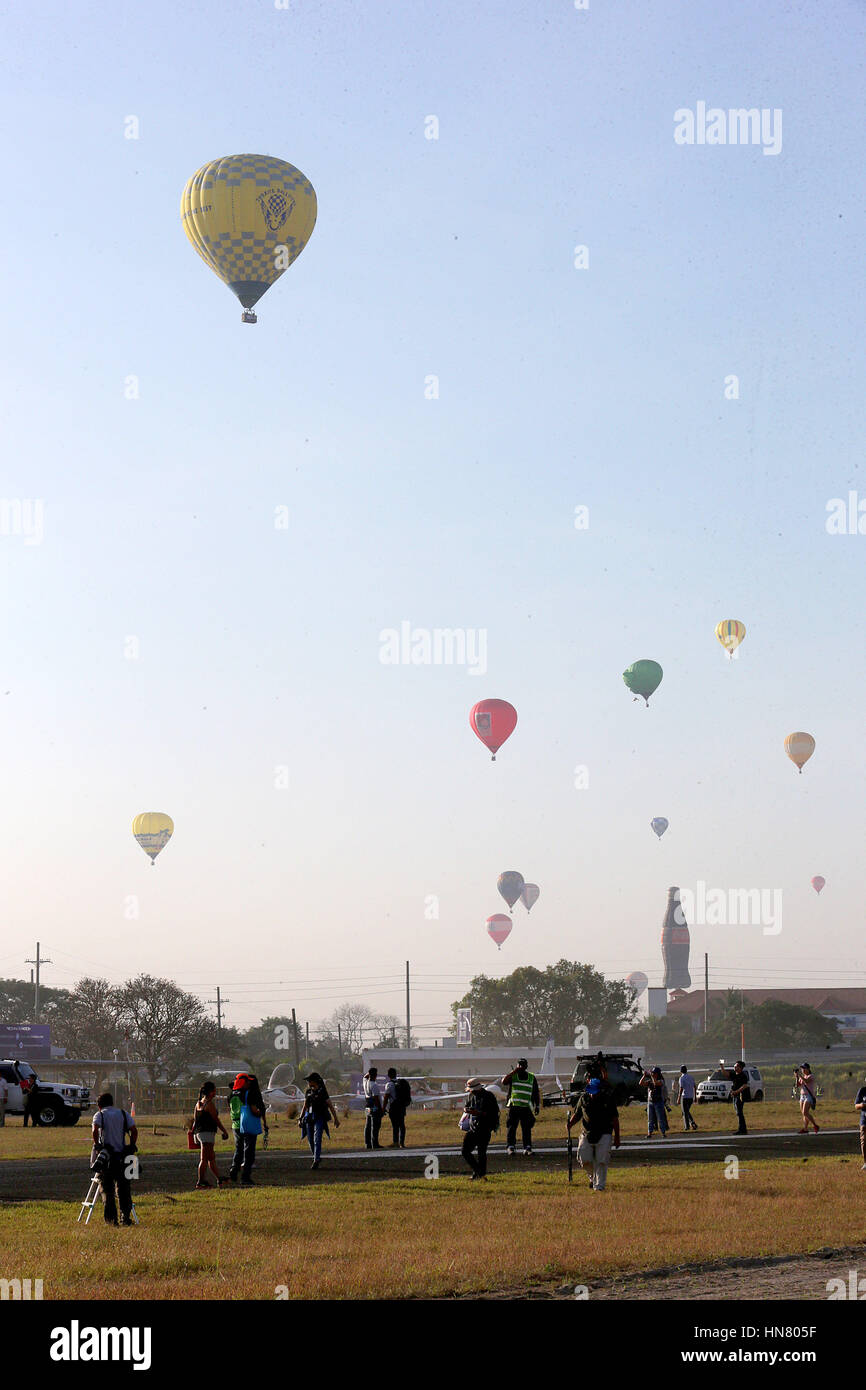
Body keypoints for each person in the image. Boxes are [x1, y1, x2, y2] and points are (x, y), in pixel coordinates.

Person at [567, 1064, 620, 1190]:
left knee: (602, 1161)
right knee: (584, 1158)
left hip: (604, 1133)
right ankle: (592, 1176)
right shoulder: (584, 1098)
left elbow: (615, 1119)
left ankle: (599, 1186)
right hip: (586, 1132)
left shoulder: (607, 1099)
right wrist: (569, 1124)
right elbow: (577, 1114)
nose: (592, 1095)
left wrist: (617, 1137)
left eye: (594, 1092)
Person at [91, 1091, 138, 1226]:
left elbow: (95, 1130)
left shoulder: (99, 1115)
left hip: (107, 1157)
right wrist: (131, 1145)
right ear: (112, 1102)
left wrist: (98, 1146)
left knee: (107, 1189)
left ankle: (112, 1220)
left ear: (99, 1105)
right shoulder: (123, 1113)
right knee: (124, 1189)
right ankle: (126, 1218)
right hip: (122, 1156)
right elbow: (134, 1130)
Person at [190, 1081, 229, 1189]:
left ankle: (219, 1178)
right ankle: (200, 1182)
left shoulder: (198, 1103)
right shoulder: (209, 1104)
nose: (215, 1092)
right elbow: (216, 1119)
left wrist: (193, 1134)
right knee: (204, 1159)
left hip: (200, 1133)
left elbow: (195, 1121)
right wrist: (224, 1131)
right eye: (214, 1090)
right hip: (206, 1133)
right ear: (211, 1092)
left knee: (211, 1158)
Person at [459, 1077, 499, 1181]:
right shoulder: (471, 1095)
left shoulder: (488, 1096)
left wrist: (477, 1113)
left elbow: (491, 1113)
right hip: (473, 1127)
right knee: (465, 1151)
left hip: (485, 1128)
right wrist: (466, 1109)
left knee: (481, 1152)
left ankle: (479, 1173)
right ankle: (479, 1172)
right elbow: (466, 1106)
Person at [298, 1071, 340, 1169]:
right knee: (310, 1139)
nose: (308, 1082)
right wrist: (300, 1118)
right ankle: (316, 1156)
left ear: (315, 1081)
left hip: (319, 1117)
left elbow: (330, 1105)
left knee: (317, 1138)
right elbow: (305, 1106)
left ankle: (316, 1159)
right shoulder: (308, 1092)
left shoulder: (322, 1091)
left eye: (310, 1080)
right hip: (309, 1117)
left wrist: (336, 1119)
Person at [500, 1057, 540, 1155]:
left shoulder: (531, 1077)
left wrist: (537, 1105)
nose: (521, 1067)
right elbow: (504, 1082)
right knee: (512, 1128)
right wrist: (514, 1071)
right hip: (514, 1106)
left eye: (523, 1065)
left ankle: (527, 1147)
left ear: (526, 1066)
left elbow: (535, 1092)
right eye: (519, 1065)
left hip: (526, 1107)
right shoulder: (513, 1076)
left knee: (526, 1128)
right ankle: (511, 1146)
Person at [235, 1073, 267, 1185]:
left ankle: (238, 1170)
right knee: (249, 1150)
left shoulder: (242, 1093)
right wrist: (260, 1116)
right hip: (251, 1123)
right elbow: (255, 1109)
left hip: (243, 1122)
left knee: (243, 1147)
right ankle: (246, 1176)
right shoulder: (253, 1093)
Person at [228, 1072, 253, 1184]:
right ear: (243, 1082)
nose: (248, 1083)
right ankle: (245, 1176)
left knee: (238, 1149)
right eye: (247, 1081)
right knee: (248, 1150)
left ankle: (234, 1169)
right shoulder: (245, 1093)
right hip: (245, 1123)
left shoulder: (231, 1094)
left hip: (235, 1124)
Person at [383, 1067, 411, 1149]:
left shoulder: (389, 1084)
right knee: (402, 1124)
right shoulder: (401, 1083)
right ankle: (402, 1143)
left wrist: (383, 1108)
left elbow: (386, 1097)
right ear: (396, 1074)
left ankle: (395, 1142)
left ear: (388, 1075)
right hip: (401, 1106)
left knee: (395, 1125)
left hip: (393, 1107)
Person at [639, 1066, 669, 1138]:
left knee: (660, 1118)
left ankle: (663, 1133)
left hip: (658, 1102)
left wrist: (652, 1076)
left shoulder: (661, 1080)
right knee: (650, 1119)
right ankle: (649, 1133)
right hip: (650, 1102)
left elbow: (656, 1083)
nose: (653, 1074)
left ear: (657, 1074)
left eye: (654, 1073)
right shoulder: (650, 1081)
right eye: (653, 1073)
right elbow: (640, 1083)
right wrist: (644, 1075)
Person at [724, 1060, 750, 1134]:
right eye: (734, 1067)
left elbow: (744, 1085)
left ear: (740, 1068)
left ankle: (742, 1129)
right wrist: (722, 1066)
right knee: (738, 1112)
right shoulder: (735, 1075)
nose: (735, 1068)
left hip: (740, 1096)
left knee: (739, 1112)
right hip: (735, 1096)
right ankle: (742, 1129)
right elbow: (726, 1074)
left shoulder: (743, 1075)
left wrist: (736, 1092)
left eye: (736, 1066)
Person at [795, 1063, 820, 1134]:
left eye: (804, 1068)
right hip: (802, 1096)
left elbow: (806, 1081)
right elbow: (797, 1085)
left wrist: (799, 1075)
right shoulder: (802, 1077)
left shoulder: (811, 1076)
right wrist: (796, 1077)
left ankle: (815, 1125)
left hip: (808, 1096)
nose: (802, 1070)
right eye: (802, 1068)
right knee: (804, 1114)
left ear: (808, 1069)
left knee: (805, 1112)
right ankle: (805, 1128)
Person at [363, 1066, 383, 1150]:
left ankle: (368, 1143)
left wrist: (370, 1072)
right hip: (374, 1107)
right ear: (376, 1075)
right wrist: (380, 1109)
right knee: (375, 1125)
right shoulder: (374, 1085)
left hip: (367, 1105)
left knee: (368, 1125)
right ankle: (375, 1143)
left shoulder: (365, 1082)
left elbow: (364, 1076)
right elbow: (376, 1099)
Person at [674, 1064, 698, 1131]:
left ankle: (687, 1126)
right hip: (690, 1097)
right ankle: (693, 1123)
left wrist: (678, 1098)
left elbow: (681, 1088)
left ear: (681, 1071)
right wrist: (695, 1097)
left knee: (685, 1112)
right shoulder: (691, 1077)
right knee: (686, 1111)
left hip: (684, 1097)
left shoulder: (681, 1078)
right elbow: (695, 1087)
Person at [855, 1074, 866, 1171]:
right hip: (864, 1120)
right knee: (863, 1141)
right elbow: (856, 1105)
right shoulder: (862, 1090)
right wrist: (862, 1105)